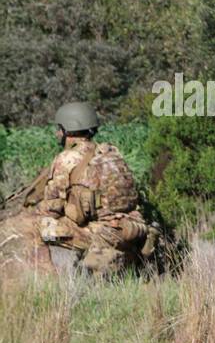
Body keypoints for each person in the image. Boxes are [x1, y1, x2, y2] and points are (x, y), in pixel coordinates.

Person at [32, 102, 150, 275]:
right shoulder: (109, 152)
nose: (57, 133)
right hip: (133, 227)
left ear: (69, 129)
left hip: (105, 234)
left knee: (37, 225)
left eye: (60, 129)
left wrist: (37, 209)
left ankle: (48, 279)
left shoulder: (67, 158)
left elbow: (52, 207)